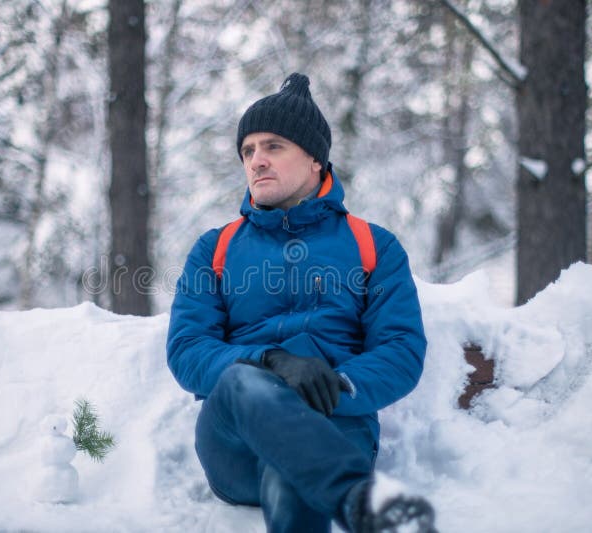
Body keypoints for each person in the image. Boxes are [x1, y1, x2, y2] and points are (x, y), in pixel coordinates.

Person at [166, 73, 435, 533]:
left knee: (294, 473)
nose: (257, 161)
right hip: (235, 441)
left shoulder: (374, 245)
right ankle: (359, 501)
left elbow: (401, 349)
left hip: (334, 426)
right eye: (248, 150)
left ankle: (347, 495)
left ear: (314, 160)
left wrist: (336, 384)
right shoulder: (216, 248)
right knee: (239, 382)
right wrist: (270, 361)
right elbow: (188, 349)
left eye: (273, 146)